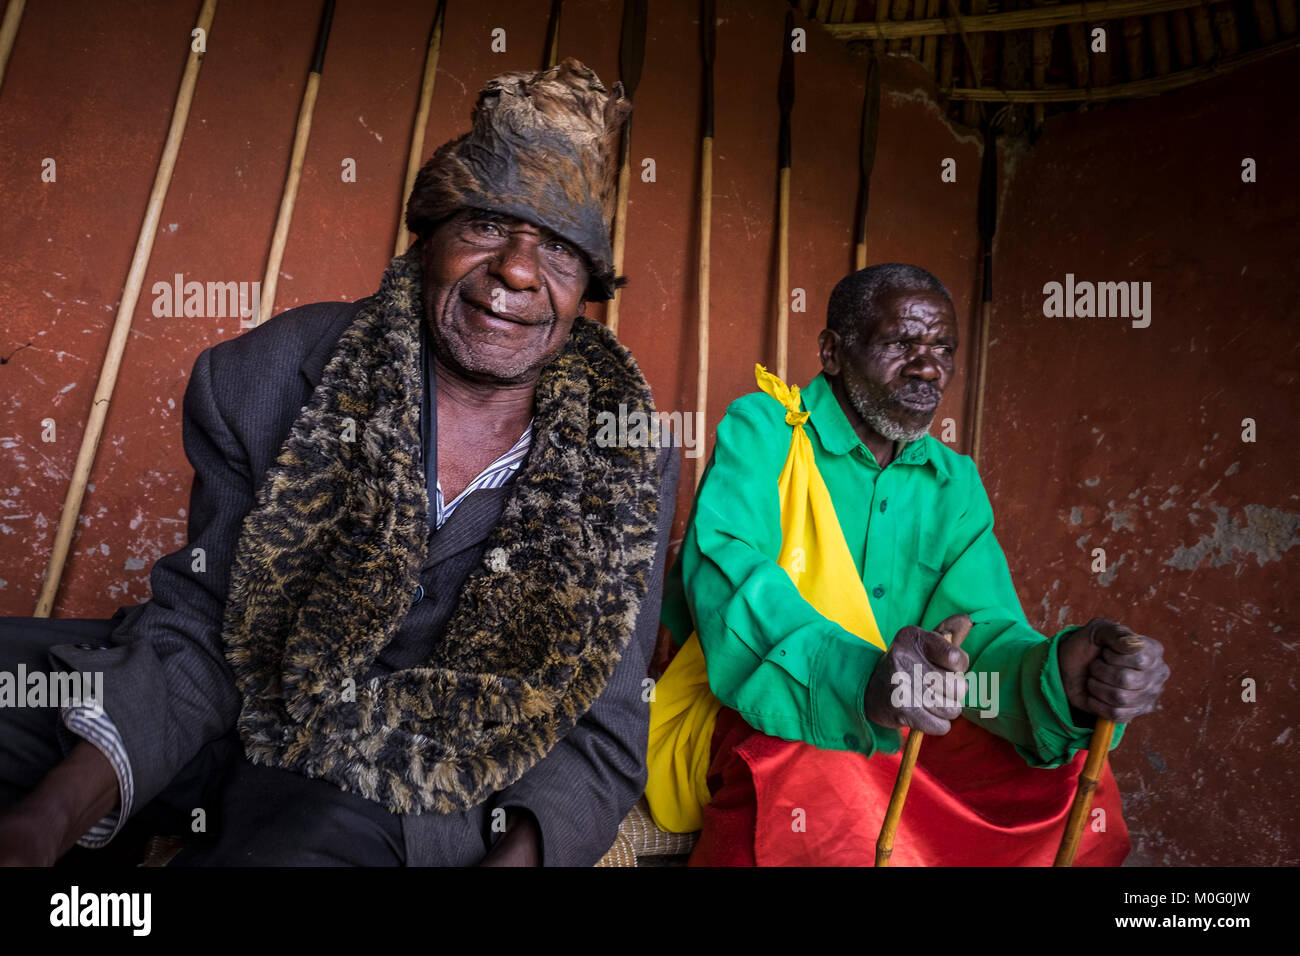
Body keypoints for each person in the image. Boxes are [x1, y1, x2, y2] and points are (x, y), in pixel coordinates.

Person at [0, 58, 679, 867]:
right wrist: (53, 813)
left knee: (299, 843)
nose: (519, 270)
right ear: (428, 236)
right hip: (233, 706)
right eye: (488, 226)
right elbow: (207, 623)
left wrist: (514, 858)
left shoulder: (621, 446)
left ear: (584, 288)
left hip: (414, 772)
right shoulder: (261, 375)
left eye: (560, 249)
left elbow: (600, 723)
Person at [656, 263, 1170, 866]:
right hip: (751, 707)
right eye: (901, 344)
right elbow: (732, 581)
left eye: (943, 348)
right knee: (820, 768)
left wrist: (1058, 675)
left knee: (1076, 778)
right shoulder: (765, 429)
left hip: (909, 719)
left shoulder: (956, 483)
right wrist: (860, 679)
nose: (928, 367)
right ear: (832, 352)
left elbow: (980, 642)